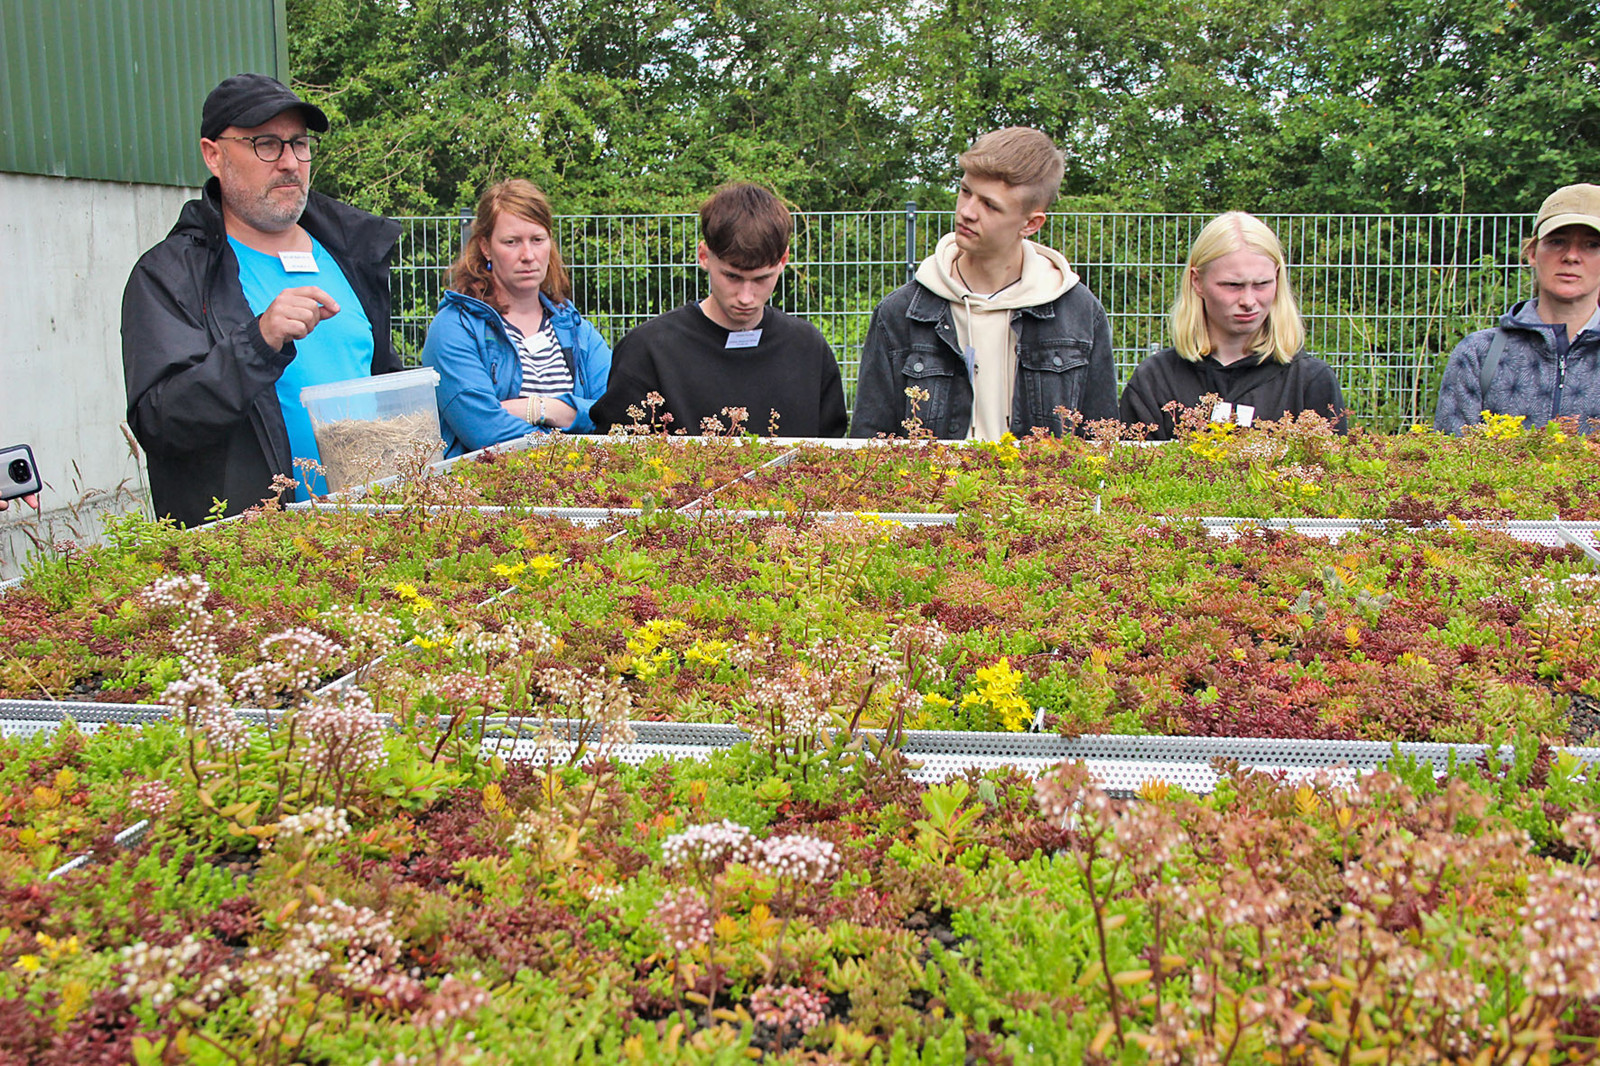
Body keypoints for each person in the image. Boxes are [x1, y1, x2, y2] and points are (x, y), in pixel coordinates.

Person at [122, 74, 401, 527]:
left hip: (371, 526)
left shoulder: (352, 251)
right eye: (266, 144)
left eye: (299, 144)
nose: (290, 162)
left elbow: (381, 382)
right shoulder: (171, 275)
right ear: (213, 154)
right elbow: (160, 422)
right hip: (259, 555)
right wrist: (258, 341)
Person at [850, 128, 1116, 440]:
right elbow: (869, 448)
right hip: (934, 490)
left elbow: (1102, 447)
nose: (967, 212)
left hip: (1040, 489)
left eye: (990, 205)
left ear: (1031, 223)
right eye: (965, 191)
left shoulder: (1080, 314)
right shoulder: (901, 314)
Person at [589, 184, 847, 437]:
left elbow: (833, 454)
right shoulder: (647, 350)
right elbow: (617, 458)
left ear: (783, 261)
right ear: (704, 256)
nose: (746, 297)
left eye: (761, 279)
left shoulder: (808, 348)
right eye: (732, 277)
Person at [421, 181, 612, 456]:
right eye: (511, 242)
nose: (528, 255)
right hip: (486, 491)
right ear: (486, 247)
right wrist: (571, 445)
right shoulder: (455, 328)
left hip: (577, 488)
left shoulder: (576, 329)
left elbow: (613, 413)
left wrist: (540, 408)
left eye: (537, 240)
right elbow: (486, 433)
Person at [1119, 211, 1346, 439]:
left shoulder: (1310, 381)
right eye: (1232, 285)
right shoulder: (1155, 380)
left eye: (1262, 284)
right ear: (1197, 281)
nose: (1248, 301)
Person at [1434, 184, 1600, 435]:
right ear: (1532, 253)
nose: (1571, 256)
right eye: (1557, 241)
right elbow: (1449, 464)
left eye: (1592, 245)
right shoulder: (1479, 355)